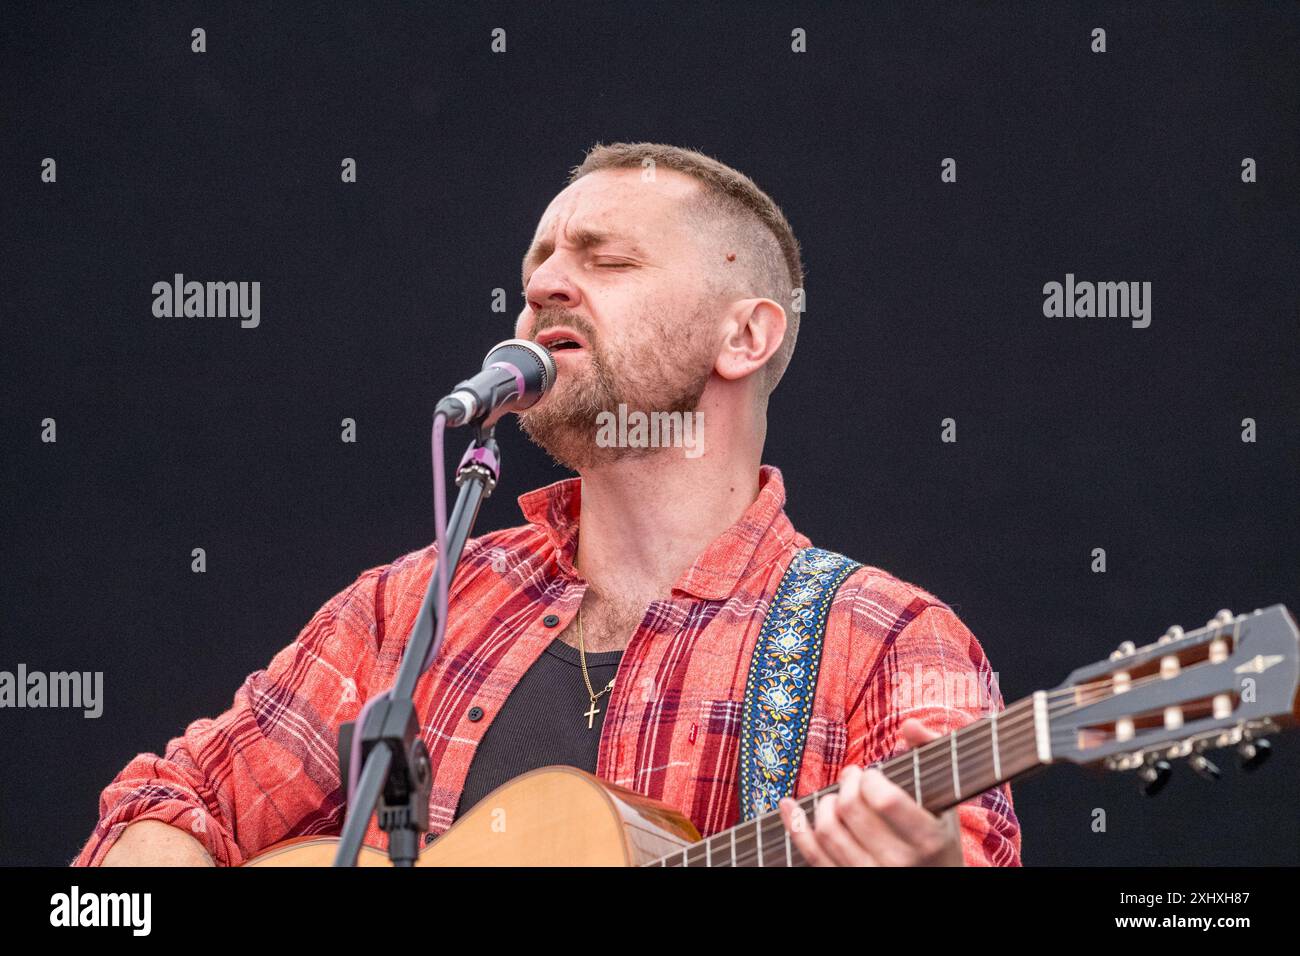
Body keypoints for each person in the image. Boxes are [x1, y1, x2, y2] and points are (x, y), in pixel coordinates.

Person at [75, 142, 1021, 867]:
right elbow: (165, 804)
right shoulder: (410, 612)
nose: (538, 287)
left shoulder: (889, 642)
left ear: (745, 335)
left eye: (605, 261)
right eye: (541, 262)